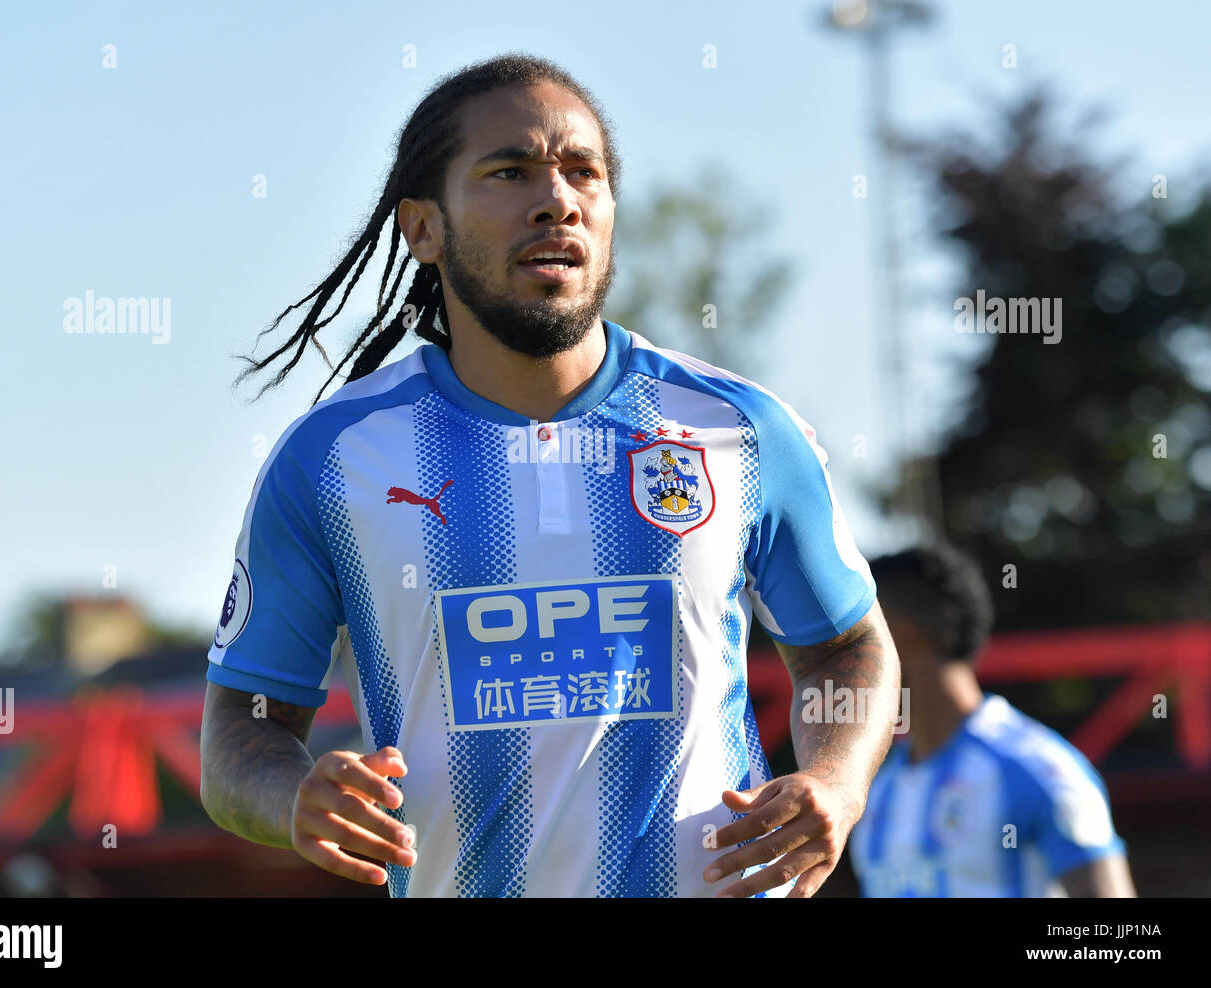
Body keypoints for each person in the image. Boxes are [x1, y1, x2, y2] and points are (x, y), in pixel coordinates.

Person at [199, 53, 900, 898]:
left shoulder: (738, 429)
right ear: (422, 228)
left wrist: (837, 782)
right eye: (509, 171)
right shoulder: (333, 458)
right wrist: (292, 796)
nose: (557, 199)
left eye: (583, 173)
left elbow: (848, 647)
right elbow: (242, 733)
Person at [849, 543, 1136, 897]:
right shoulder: (879, 787)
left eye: (855, 639)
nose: (843, 659)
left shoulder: (1038, 770)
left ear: (901, 637)